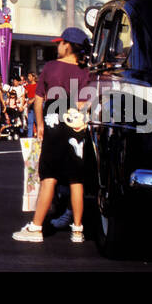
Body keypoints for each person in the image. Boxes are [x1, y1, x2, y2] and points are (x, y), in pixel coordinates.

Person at [13, 27, 94, 244]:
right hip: (77, 126)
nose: (56, 46)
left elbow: (39, 99)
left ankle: (36, 227)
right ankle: (78, 229)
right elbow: (85, 102)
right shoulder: (86, 71)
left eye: (59, 43)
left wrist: (39, 124)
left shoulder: (50, 67)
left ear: (67, 45)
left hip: (54, 124)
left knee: (49, 175)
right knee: (77, 178)